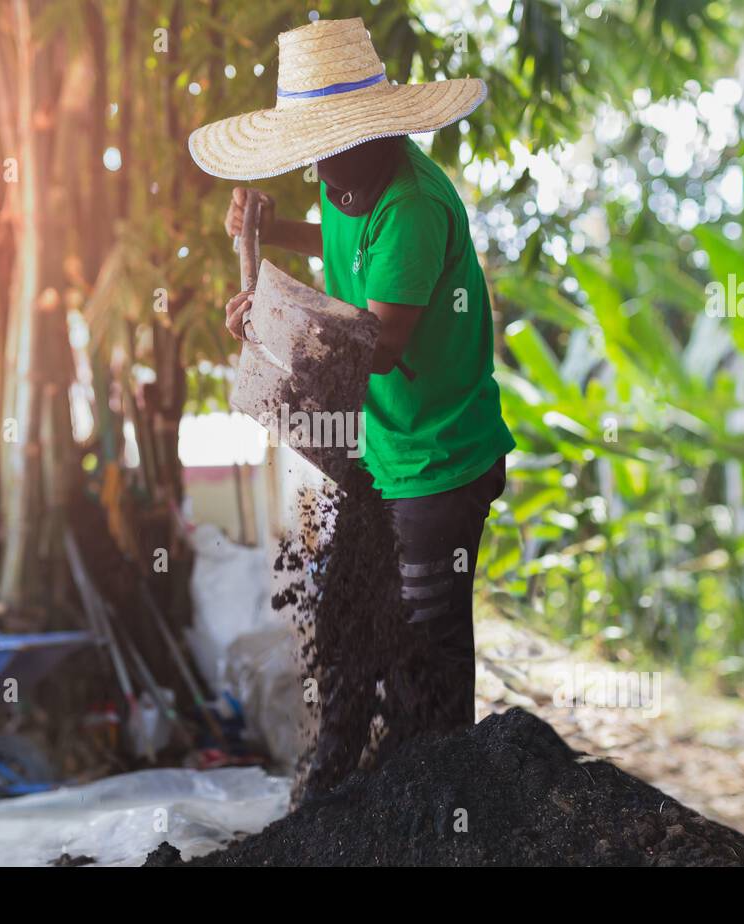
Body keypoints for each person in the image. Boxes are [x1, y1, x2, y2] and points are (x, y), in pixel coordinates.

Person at [188, 16, 514, 788]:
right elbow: (337, 240)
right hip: (382, 450)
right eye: (314, 154)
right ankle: (367, 788)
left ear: (376, 134)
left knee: (427, 648)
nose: (324, 170)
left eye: (333, 149)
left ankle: (443, 803)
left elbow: (380, 345)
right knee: (351, 622)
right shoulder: (346, 181)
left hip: (441, 459)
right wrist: (270, 241)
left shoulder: (410, 204)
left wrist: (270, 318)